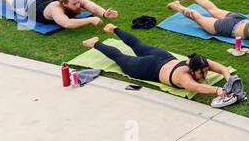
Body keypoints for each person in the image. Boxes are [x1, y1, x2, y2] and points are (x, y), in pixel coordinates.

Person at [81, 23, 239, 105]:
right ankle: (96, 43)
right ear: (191, 70)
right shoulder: (183, 76)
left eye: (205, 72)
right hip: (147, 67)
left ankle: (115, 28)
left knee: (138, 45)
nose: (205, 75)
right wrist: (217, 89)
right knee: (120, 58)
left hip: (163, 57)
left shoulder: (199, 62)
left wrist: (228, 77)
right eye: (202, 73)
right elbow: (196, 88)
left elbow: (220, 67)